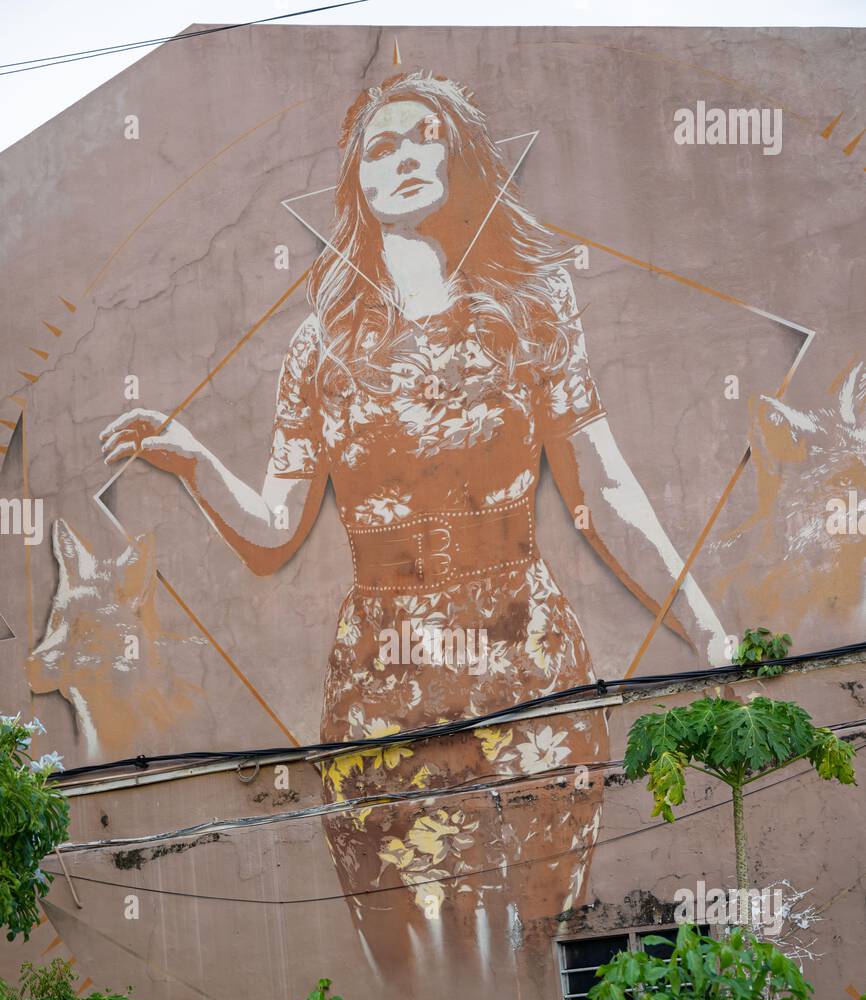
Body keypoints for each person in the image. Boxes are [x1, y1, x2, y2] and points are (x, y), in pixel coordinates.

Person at [101, 72, 728, 949]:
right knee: (415, 951)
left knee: (546, 933)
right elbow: (277, 529)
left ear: (459, 154)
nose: (401, 158)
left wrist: (708, 631)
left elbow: (603, 486)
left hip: (527, 657)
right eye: (379, 148)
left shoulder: (533, 304)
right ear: (355, 183)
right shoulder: (320, 343)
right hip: (380, 683)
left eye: (421, 137)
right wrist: (195, 461)